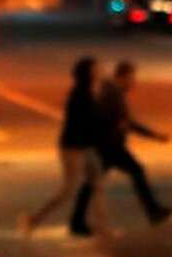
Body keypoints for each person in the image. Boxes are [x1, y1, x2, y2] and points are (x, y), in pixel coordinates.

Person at [76, 56, 170, 228]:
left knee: (93, 181)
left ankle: (77, 219)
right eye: (131, 78)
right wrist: (153, 135)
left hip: (107, 144)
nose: (134, 82)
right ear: (123, 77)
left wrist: (153, 135)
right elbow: (119, 120)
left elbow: (123, 121)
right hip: (110, 146)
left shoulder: (111, 91)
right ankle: (153, 211)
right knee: (136, 171)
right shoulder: (113, 94)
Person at [20, 55, 108, 237]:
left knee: (98, 184)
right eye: (97, 68)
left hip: (86, 146)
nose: (101, 70)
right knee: (69, 189)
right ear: (89, 73)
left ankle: (103, 227)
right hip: (73, 148)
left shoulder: (90, 91)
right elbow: (85, 123)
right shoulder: (80, 95)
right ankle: (33, 219)